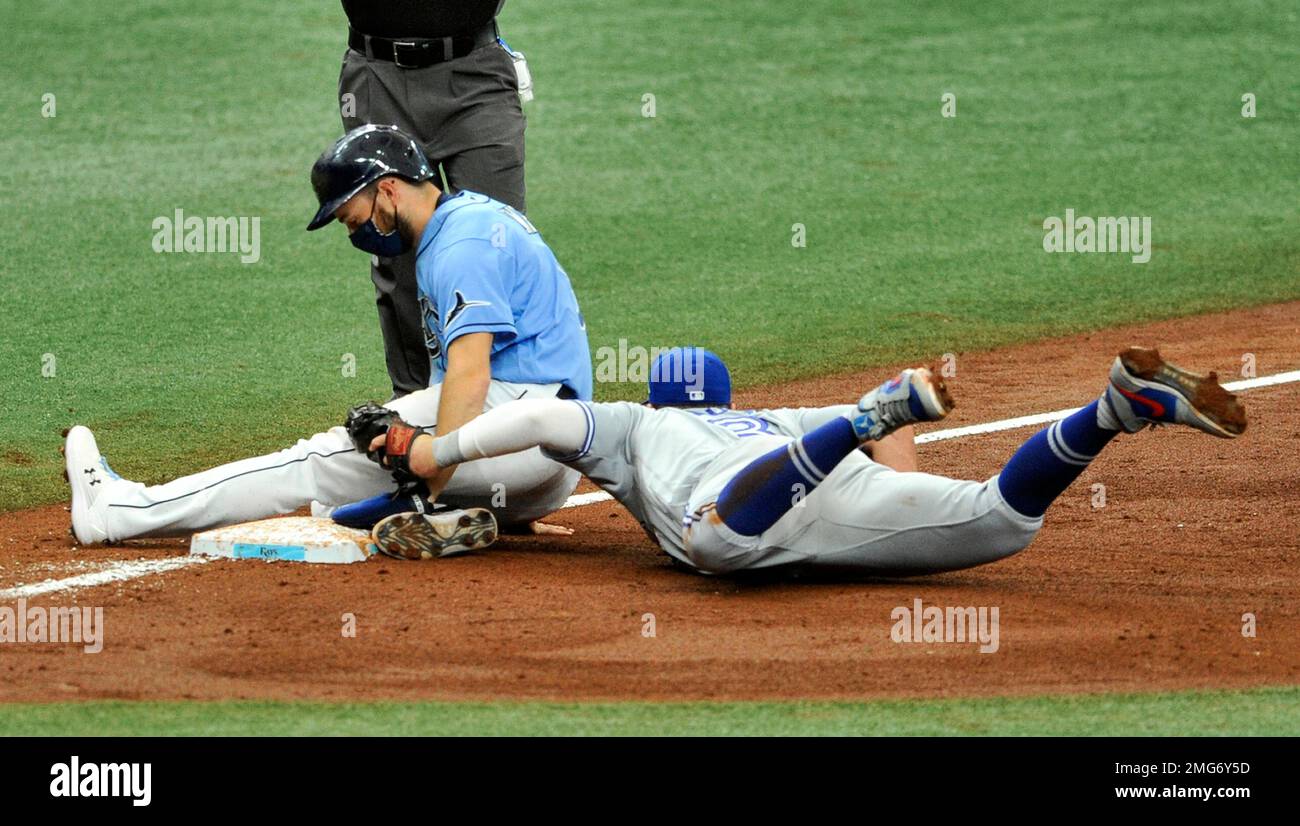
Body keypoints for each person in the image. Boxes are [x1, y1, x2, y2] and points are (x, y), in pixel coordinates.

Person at [62, 125, 590, 545]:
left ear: (387, 189)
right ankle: (479, 504)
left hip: (519, 433)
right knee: (392, 445)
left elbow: (471, 376)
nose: (351, 230)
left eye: (349, 215)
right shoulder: (465, 225)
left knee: (318, 462)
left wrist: (425, 487)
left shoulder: (461, 245)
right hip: (552, 471)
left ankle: (119, 512)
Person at [364, 347, 1246, 573]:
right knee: (997, 517)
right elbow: (899, 464)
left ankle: (862, 419)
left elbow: (539, 421)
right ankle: (1107, 413)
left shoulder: (632, 423)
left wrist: (434, 449)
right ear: (722, 393)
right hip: (831, 467)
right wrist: (896, 489)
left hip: (746, 502)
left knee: (712, 544)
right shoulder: (768, 412)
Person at [337, 1, 529, 398]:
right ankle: (412, 402)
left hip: (475, 72)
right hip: (376, 78)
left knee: (496, 241)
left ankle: (512, 395)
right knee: (395, 249)